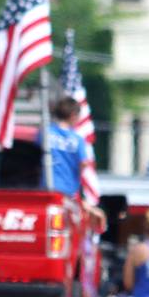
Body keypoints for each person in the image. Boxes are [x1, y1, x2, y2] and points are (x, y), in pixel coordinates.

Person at [47, 97, 107, 230]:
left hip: (43, 190)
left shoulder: (45, 134)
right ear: (73, 115)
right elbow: (84, 163)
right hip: (67, 193)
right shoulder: (77, 139)